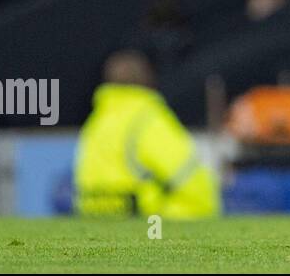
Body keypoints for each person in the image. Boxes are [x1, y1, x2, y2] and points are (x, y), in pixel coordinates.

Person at [74, 50, 220, 218]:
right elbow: (191, 180)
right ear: (149, 80)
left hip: (97, 220)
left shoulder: (96, 121)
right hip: (148, 222)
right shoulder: (147, 117)